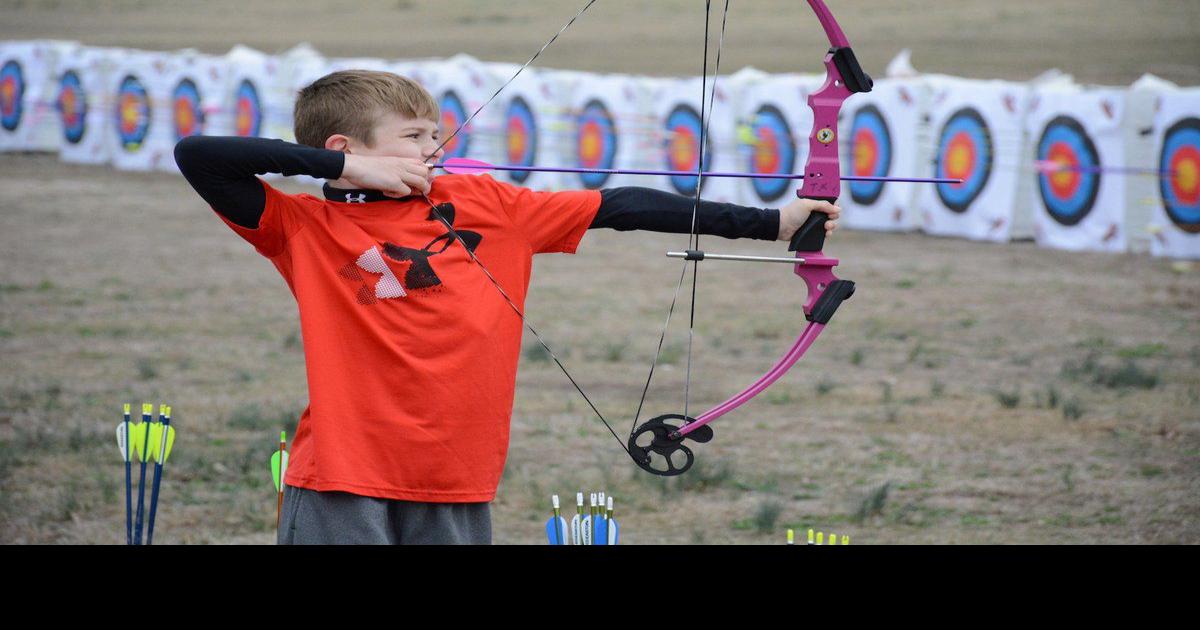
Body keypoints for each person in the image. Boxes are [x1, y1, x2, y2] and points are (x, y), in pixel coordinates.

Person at [173, 69, 841, 544]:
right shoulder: (302, 227)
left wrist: (773, 223)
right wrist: (346, 173)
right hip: (341, 475)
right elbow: (199, 155)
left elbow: (621, 205)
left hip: (456, 475)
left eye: (437, 134)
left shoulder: (487, 205)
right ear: (344, 150)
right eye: (414, 137)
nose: (435, 149)